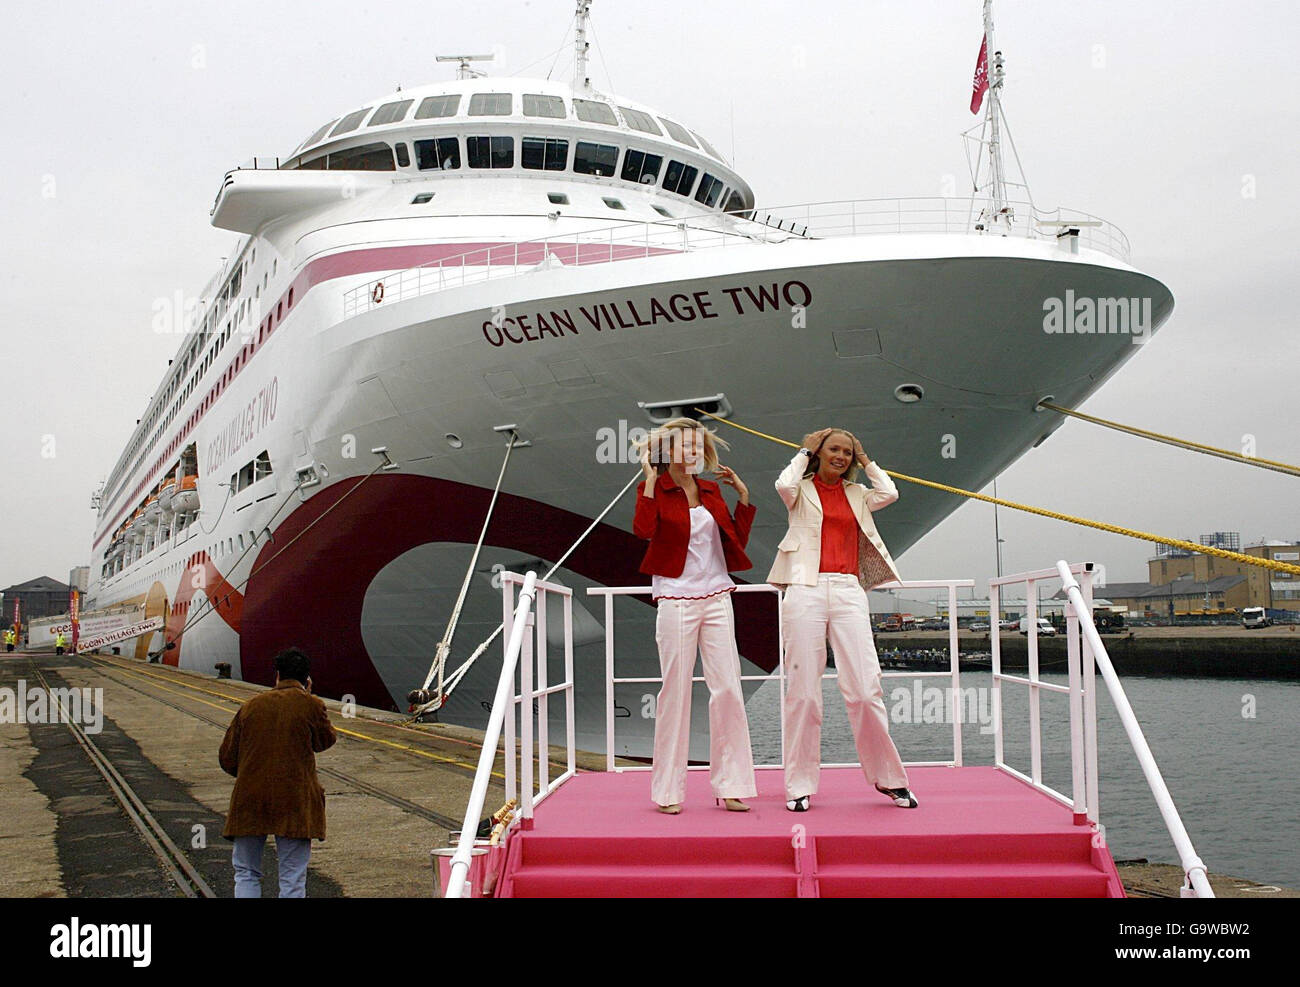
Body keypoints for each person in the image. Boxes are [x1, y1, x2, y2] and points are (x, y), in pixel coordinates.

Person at [767, 427, 918, 812]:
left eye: (847, 452)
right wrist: (805, 449)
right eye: (834, 449)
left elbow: (890, 493)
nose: (841, 456)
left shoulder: (858, 494)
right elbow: (783, 483)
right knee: (802, 691)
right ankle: (798, 784)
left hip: (849, 589)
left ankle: (890, 779)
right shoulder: (799, 489)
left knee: (866, 689)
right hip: (805, 588)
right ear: (819, 451)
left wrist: (867, 460)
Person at [633, 418, 758, 814]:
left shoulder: (710, 489)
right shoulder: (656, 488)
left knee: (728, 689)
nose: (691, 453)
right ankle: (668, 790)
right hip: (676, 597)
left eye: (696, 446)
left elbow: (734, 538)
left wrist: (743, 498)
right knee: (676, 690)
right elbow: (641, 530)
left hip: (717, 594)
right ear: (667, 451)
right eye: (683, 446)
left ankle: (733, 785)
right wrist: (650, 481)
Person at [219, 647, 337, 897]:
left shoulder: (251, 705)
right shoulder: (312, 704)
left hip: (250, 798)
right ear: (307, 679)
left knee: (246, 871)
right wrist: (309, 698)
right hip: (295, 800)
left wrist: (251, 774)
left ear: (277, 676)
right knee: (292, 877)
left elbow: (227, 757)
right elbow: (324, 742)